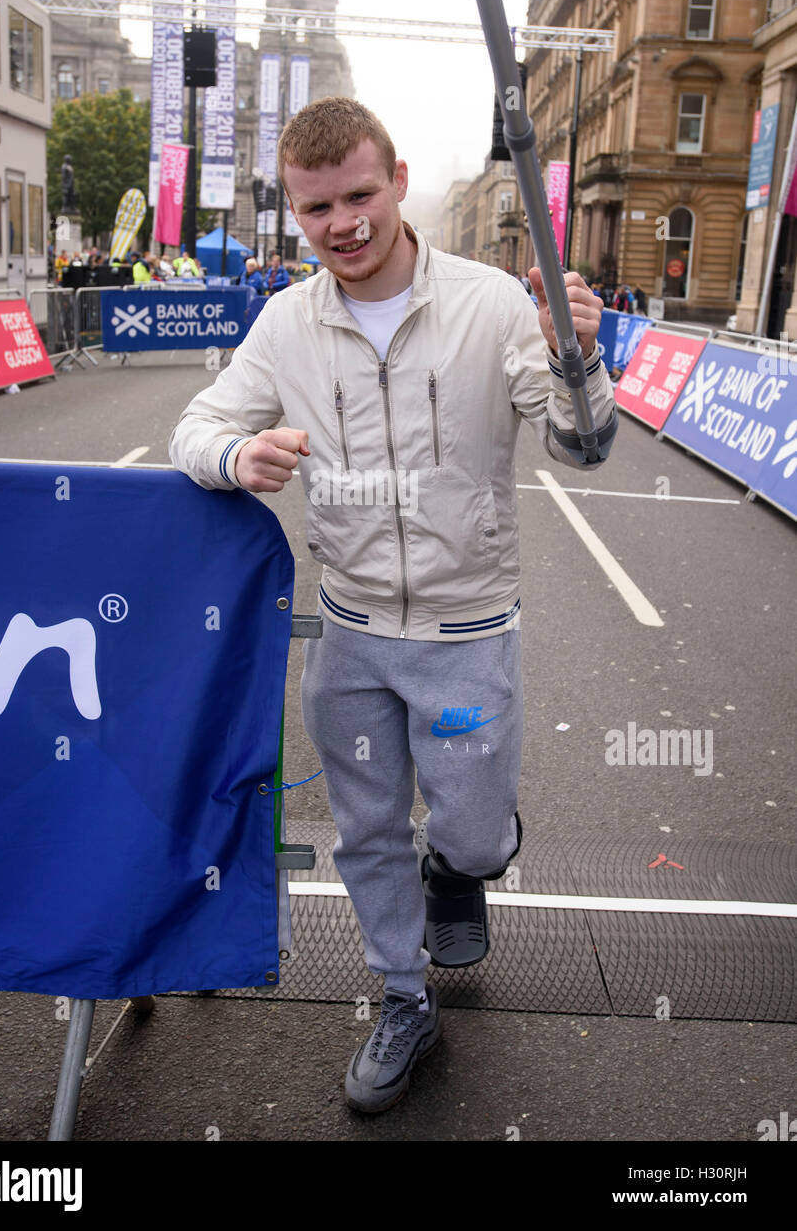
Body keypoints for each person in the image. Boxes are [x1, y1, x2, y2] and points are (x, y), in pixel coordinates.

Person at [169, 97, 617, 1115]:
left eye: (359, 194)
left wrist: (575, 356)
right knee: (364, 828)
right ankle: (402, 996)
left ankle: (464, 863)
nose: (344, 223)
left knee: (463, 834)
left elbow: (579, 442)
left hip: (466, 639)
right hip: (352, 636)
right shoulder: (287, 322)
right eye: (317, 206)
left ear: (398, 179)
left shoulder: (498, 303)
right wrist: (236, 455)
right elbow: (195, 426)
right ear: (295, 211)